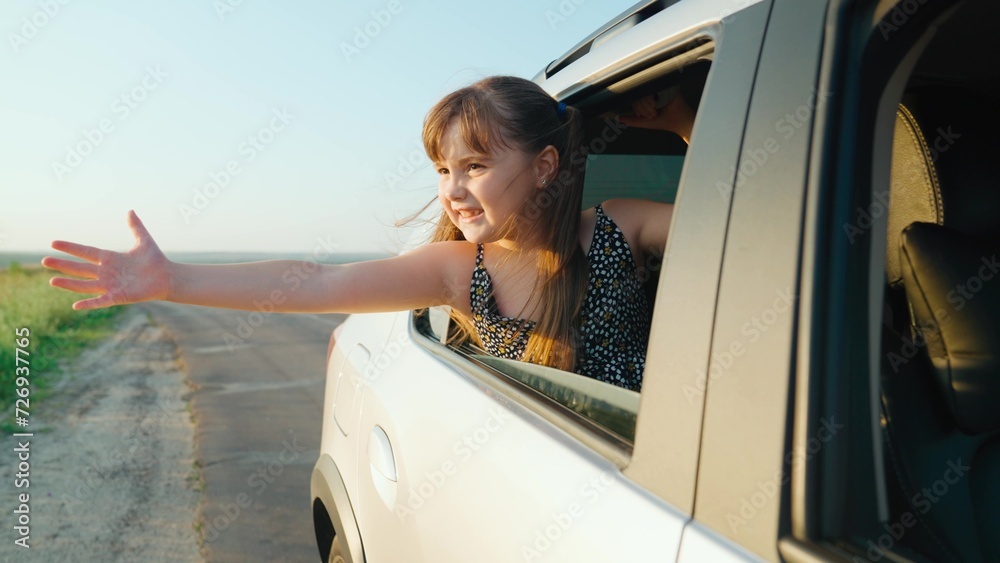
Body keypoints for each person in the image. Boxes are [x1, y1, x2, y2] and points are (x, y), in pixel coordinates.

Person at [42, 75, 695, 392]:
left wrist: (686, 127)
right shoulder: (458, 267)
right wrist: (174, 279)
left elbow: (746, 222)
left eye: (475, 165)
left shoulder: (618, 225)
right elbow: (318, 281)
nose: (453, 189)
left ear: (543, 166)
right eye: (443, 168)